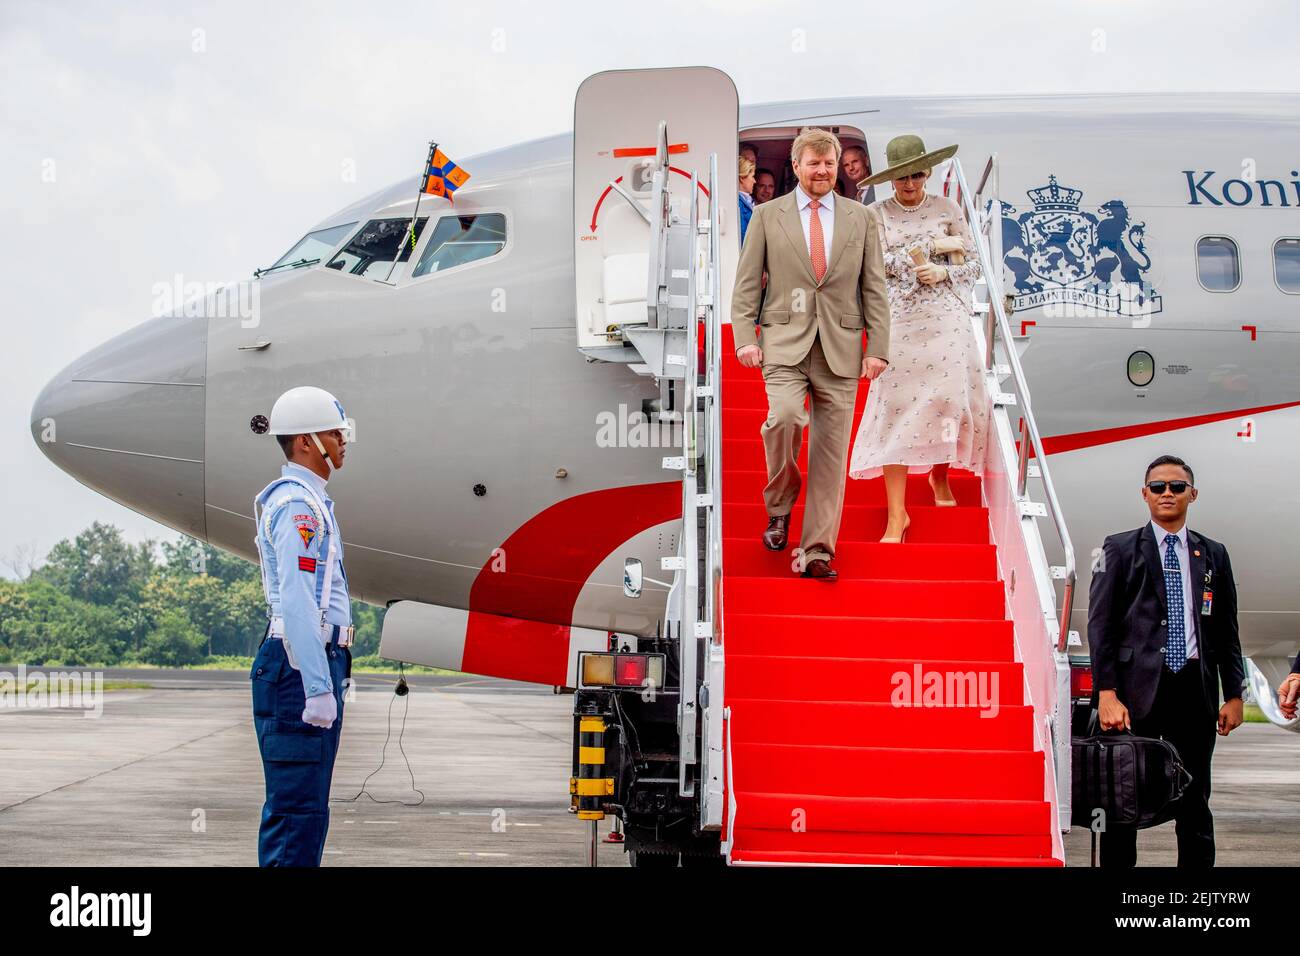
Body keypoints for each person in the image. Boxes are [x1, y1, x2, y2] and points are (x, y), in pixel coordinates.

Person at [731, 127, 891, 582]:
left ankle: (817, 549)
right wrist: (746, 336)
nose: (821, 171)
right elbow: (746, 284)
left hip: (841, 347)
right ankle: (779, 506)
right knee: (784, 418)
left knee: (830, 453)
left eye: (828, 163)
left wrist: (877, 347)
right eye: (812, 163)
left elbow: (874, 288)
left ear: (836, 167)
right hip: (784, 342)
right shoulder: (767, 216)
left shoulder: (861, 218)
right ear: (796, 167)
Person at [1089, 454, 1245, 868]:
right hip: (1132, 696)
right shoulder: (1118, 548)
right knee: (1124, 804)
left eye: (1177, 487)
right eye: (1158, 487)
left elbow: (1227, 630)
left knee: (1195, 804)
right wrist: (1106, 693)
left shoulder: (1214, 554)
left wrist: (1234, 693)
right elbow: (1100, 627)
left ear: (1192, 494)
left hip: (1193, 690)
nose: (1167, 494)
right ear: (1145, 494)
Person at [847, 134, 989, 542]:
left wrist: (944, 272)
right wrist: (915, 262)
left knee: (946, 396)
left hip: (945, 312)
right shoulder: (874, 214)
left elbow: (975, 263)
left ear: (927, 173)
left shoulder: (948, 208)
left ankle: (939, 478)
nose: (909, 184)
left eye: (917, 175)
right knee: (895, 405)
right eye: (901, 177)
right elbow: (868, 264)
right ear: (891, 179)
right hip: (899, 315)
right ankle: (897, 515)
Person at [249, 386, 355, 866]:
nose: (343, 439)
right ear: (308, 441)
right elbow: (296, 602)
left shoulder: (312, 502)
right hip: (297, 668)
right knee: (296, 814)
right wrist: (316, 684)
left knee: (309, 812)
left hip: (311, 663)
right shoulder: (297, 507)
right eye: (335, 431)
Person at [738, 156, 756, 244]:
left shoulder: (747, 201)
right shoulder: (739, 204)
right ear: (742, 178)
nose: (754, 181)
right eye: (752, 177)